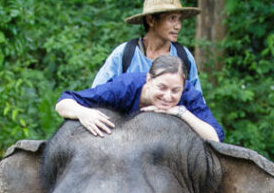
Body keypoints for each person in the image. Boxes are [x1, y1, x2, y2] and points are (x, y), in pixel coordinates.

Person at [56, 54, 223, 142]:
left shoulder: (188, 95)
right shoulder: (125, 87)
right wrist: (83, 113)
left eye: (175, 91)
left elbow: (214, 137)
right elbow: (63, 102)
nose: (167, 96)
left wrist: (180, 112)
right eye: (162, 88)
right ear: (149, 80)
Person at [92, 0, 204, 96]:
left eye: (179, 19)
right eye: (172, 19)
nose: (178, 26)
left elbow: (198, 101)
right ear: (151, 20)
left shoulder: (183, 56)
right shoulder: (126, 54)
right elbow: (96, 92)